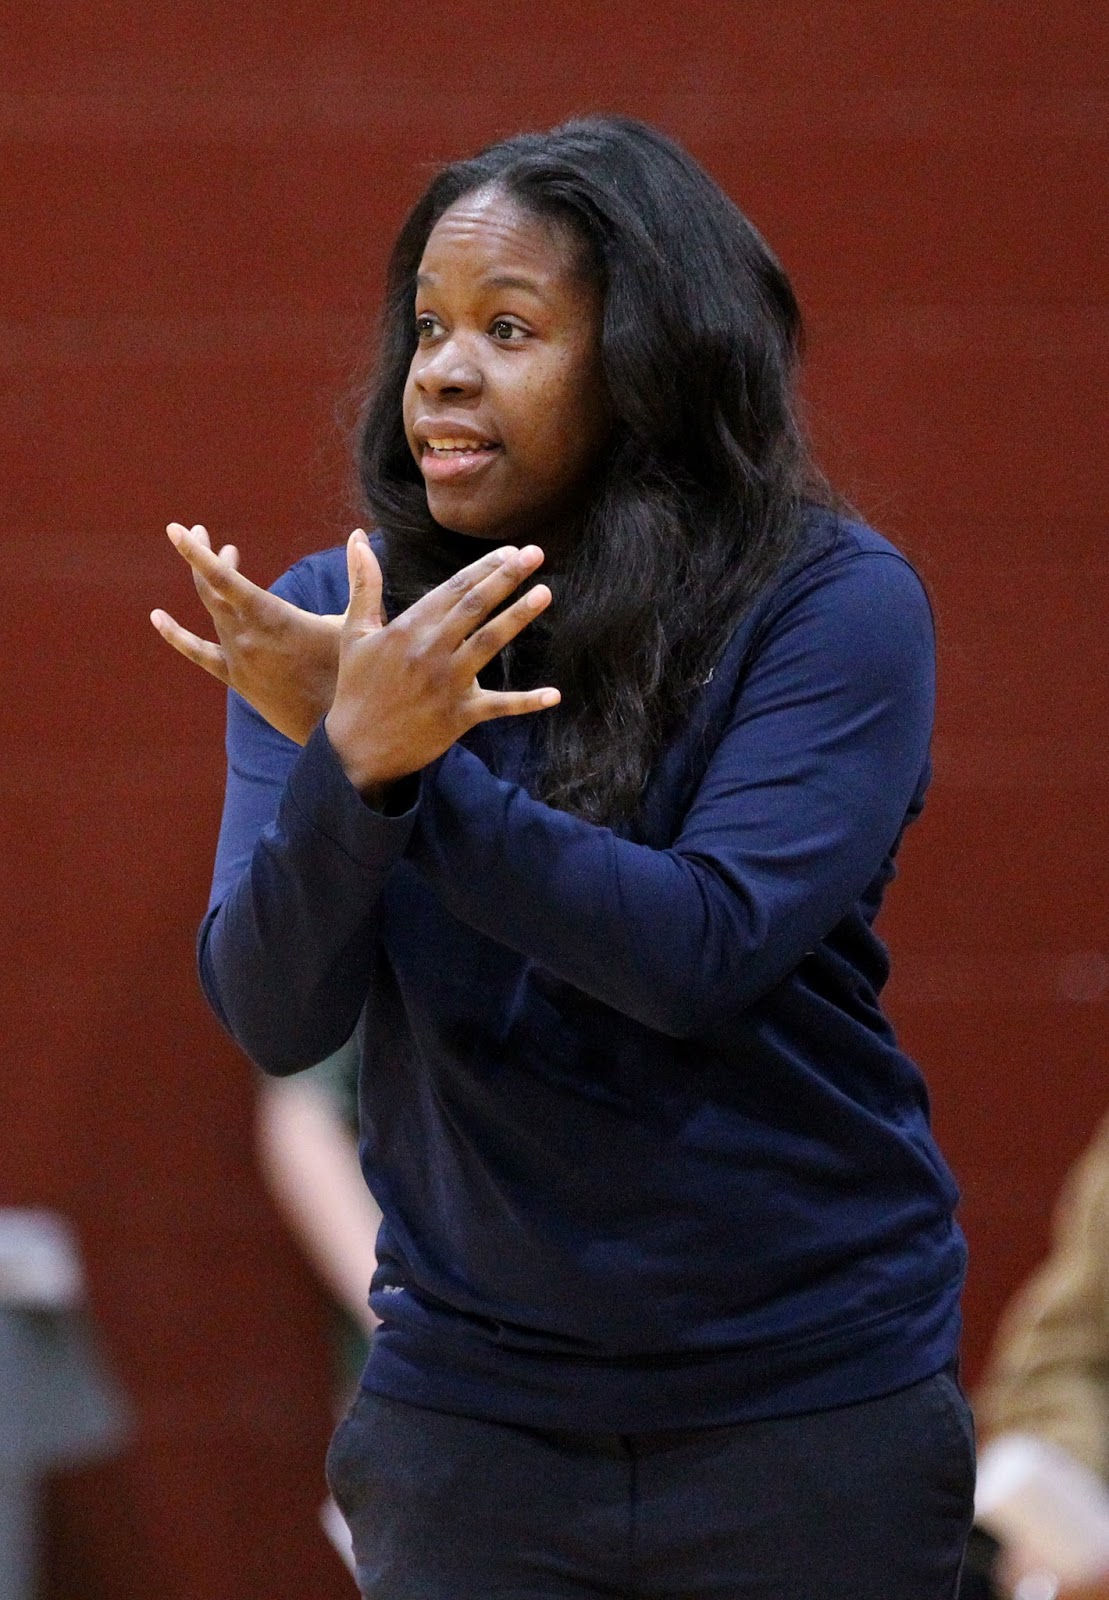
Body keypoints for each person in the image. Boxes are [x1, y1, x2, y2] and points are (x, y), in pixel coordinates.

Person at [151, 115, 974, 1599]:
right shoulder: (336, 619)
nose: (442, 372)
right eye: (428, 328)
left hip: (803, 1407)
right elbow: (275, 1010)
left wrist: (399, 760)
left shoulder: (830, 606)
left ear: (649, 364)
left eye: (510, 329)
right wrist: (350, 762)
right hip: (471, 1422)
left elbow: (693, 949)